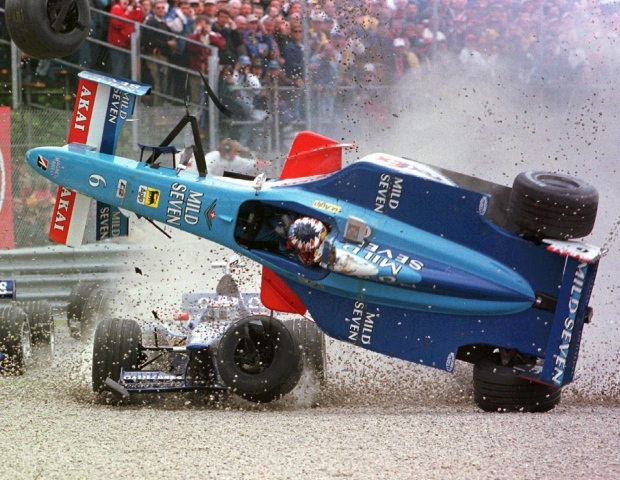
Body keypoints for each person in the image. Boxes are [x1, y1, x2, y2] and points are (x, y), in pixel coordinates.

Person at [143, 0, 177, 103]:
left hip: (164, 55)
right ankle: (156, 107)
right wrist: (167, 43)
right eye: (158, 8)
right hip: (154, 55)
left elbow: (170, 36)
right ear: (154, 9)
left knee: (163, 81)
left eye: (163, 8)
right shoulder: (151, 22)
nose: (161, 10)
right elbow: (150, 40)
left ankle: (159, 104)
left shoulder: (164, 23)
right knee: (157, 81)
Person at [108, 0, 145, 78]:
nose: (125, 1)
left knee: (126, 73)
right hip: (117, 46)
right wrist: (128, 14)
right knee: (118, 72)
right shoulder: (116, 8)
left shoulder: (130, 8)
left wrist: (137, 5)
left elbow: (139, 17)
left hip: (128, 46)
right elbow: (118, 23)